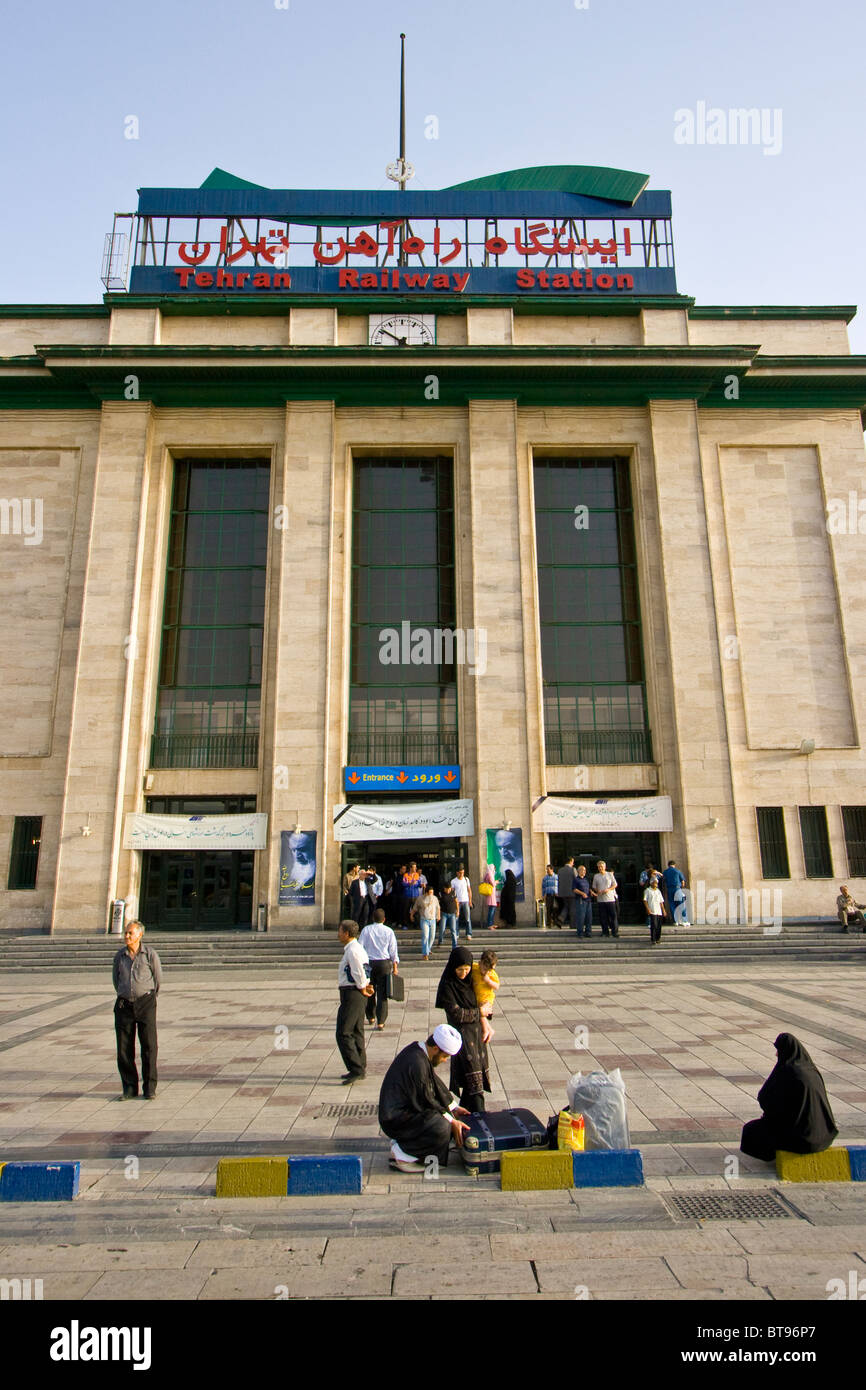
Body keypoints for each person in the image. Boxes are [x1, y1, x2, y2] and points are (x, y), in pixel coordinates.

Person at [378, 1025, 471, 1172]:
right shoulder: (417, 1062)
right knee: (441, 1127)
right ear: (435, 1049)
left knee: (447, 1118)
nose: (445, 1060)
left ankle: (410, 1144)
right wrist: (451, 1121)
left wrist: (454, 1107)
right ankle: (404, 1155)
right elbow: (426, 1098)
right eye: (445, 1056)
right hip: (394, 1119)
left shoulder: (418, 1051)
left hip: (402, 1112)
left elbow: (434, 1083)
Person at [740, 1033, 838, 1162]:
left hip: (803, 1140)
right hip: (824, 1136)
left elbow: (765, 1098)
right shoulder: (811, 1069)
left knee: (751, 1130)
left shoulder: (788, 1071)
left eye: (778, 1050)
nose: (776, 1054)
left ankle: (772, 1154)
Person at [435, 947, 491, 1112]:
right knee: (475, 1085)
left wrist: (485, 1021)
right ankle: (481, 1118)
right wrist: (479, 1012)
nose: (463, 973)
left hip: (477, 1036)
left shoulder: (470, 981)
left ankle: (464, 1118)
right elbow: (456, 1014)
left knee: (473, 1083)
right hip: (461, 1037)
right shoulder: (448, 986)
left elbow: (481, 1000)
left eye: (466, 969)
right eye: (459, 969)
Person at [112, 920, 162, 1100]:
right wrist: (126, 993)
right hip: (124, 1004)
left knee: (149, 1045)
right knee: (124, 1047)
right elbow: (116, 980)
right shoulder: (120, 956)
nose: (126, 936)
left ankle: (150, 1088)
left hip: (145, 1003)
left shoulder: (149, 954)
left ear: (140, 935)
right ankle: (129, 1088)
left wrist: (147, 996)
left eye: (130, 933)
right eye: (126, 933)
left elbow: (158, 979)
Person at [335, 919, 374, 1084]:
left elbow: (359, 971)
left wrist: (363, 986)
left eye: (340, 931)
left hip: (353, 993)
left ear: (346, 933)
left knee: (344, 1032)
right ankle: (359, 1066)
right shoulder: (355, 948)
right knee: (357, 1030)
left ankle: (356, 1068)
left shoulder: (353, 951)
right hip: (355, 992)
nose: (338, 934)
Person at [359, 908, 399, 1029]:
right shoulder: (389, 931)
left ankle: (370, 1016)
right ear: (384, 919)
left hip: (368, 963)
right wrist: (395, 967)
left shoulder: (366, 930)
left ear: (372, 918)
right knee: (382, 993)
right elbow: (393, 950)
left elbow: (360, 947)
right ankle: (381, 1021)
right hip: (384, 964)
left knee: (369, 990)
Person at [471, 950, 499, 1043]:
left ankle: (486, 1030)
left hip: (487, 998)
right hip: (477, 997)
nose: (485, 971)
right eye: (484, 968)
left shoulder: (491, 974)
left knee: (481, 1012)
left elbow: (497, 986)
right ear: (480, 963)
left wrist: (488, 981)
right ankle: (489, 1029)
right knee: (479, 1012)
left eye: (488, 970)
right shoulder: (475, 968)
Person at [411, 883, 441, 960]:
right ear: (426, 892)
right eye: (430, 892)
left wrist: (438, 915)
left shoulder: (435, 898)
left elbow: (438, 908)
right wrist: (411, 915)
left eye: (432, 892)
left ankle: (428, 948)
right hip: (424, 919)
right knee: (425, 936)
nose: (431, 894)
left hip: (433, 919)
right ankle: (425, 953)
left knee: (432, 937)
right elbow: (415, 908)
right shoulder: (420, 899)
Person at [592, 860, 619, 937]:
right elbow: (594, 886)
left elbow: (615, 884)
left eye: (602, 866)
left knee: (613, 916)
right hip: (601, 899)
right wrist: (598, 891)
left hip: (610, 899)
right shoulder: (596, 876)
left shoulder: (610, 875)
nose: (600, 868)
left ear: (605, 867)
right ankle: (605, 932)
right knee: (603, 916)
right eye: (599, 867)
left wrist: (608, 889)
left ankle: (615, 932)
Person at [450, 865, 473, 940]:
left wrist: (470, 901)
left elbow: (469, 890)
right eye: (460, 873)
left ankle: (469, 933)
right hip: (457, 901)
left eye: (463, 873)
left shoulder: (466, 879)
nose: (461, 874)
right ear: (457, 873)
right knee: (456, 918)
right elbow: (452, 892)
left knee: (467, 918)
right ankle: (456, 933)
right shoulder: (453, 881)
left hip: (465, 900)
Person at [663, 860, 689, 925]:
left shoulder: (665, 872)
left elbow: (663, 880)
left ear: (668, 865)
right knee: (681, 904)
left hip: (669, 889)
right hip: (677, 888)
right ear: (674, 865)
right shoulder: (678, 871)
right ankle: (684, 920)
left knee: (672, 905)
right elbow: (683, 882)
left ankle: (675, 921)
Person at [643, 873, 667, 945]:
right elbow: (645, 900)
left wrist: (664, 910)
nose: (656, 884)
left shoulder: (658, 891)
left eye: (656, 883)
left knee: (659, 926)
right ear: (651, 883)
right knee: (654, 925)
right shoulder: (647, 890)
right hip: (652, 910)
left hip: (658, 911)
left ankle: (658, 938)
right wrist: (648, 909)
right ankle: (653, 939)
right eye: (654, 883)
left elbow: (661, 902)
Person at [557, 856, 577, 931]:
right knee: (572, 908)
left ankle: (560, 918)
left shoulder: (560, 870)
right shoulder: (573, 869)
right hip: (572, 892)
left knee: (566, 906)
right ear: (571, 861)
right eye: (573, 862)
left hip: (563, 893)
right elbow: (576, 880)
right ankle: (573, 924)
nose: (573, 863)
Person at [439, 879, 459, 949]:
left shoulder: (453, 892)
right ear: (444, 888)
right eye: (447, 889)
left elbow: (456, 902)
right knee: (442, 928)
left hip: (452, 913)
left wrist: (458, 911)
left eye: (449, 889)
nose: (448, 891)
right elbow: (438, 904)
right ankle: (440, 940)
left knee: (453, 930)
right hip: (444, 913)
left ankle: (454, 946)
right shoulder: (441, 893)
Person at [574, 864, 592, 938]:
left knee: (589, 917)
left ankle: (588, 931)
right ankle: (580, 932)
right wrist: (582, 893)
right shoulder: (576, 879)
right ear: (579, 871)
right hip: (580, 900)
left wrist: (592, 892)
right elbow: (574, 889)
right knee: (581, 917)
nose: (584, 871)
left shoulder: (585, 879)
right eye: (583, 870)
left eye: (585, 870)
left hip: (588, 900)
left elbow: (588, 888)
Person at [402, 862, 423, 929]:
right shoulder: (406, 875)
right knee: (406, 910)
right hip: (407, 895)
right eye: (414, 867)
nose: (415, 868)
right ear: (410, 868)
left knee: (416, 910)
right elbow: (403, 884)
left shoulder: (417, 875)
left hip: (415, 895)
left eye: (415, 867)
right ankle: (406, 925)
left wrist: (421, 885)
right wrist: (410, 883)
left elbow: (419, 884)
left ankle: (416, 925)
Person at [481, 862, 499, 929]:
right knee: (492, 909)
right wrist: (496, 882)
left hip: (490, 894)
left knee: (492, 909)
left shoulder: (487, 874)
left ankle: (491, 923)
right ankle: (489, 924)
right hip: (491, 894)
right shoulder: (490, 875)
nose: (494, 869)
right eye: (494, 868)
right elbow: (493, 884)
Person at [541, 864, 559, 928]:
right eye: (546, 870)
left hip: (555, 896)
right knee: (549, 909)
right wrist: (543, 896)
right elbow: (543, 888)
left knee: (555, 909)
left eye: (548, 869)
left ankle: (555, 922)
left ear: (552, 869)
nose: (547, 871)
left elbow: (560, 886)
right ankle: (549, 923)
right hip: (548, 896)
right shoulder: (545, 878)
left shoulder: (557, 877)